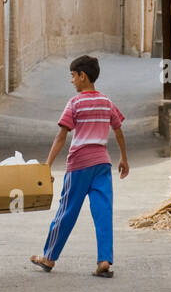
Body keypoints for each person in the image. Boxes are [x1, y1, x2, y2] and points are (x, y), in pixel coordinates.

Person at [30, 55, 128, 278]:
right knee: (103, 212)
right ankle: (104, 260)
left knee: (67, 211)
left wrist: (47, 165)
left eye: (73, 76)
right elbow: (118, 131)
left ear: (82, 76)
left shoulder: (74, 103)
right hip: (102, 164)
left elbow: (61, 136)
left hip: (79, 165)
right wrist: (123, 158)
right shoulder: (106, 102)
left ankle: (49, 257)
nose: (71, 80)